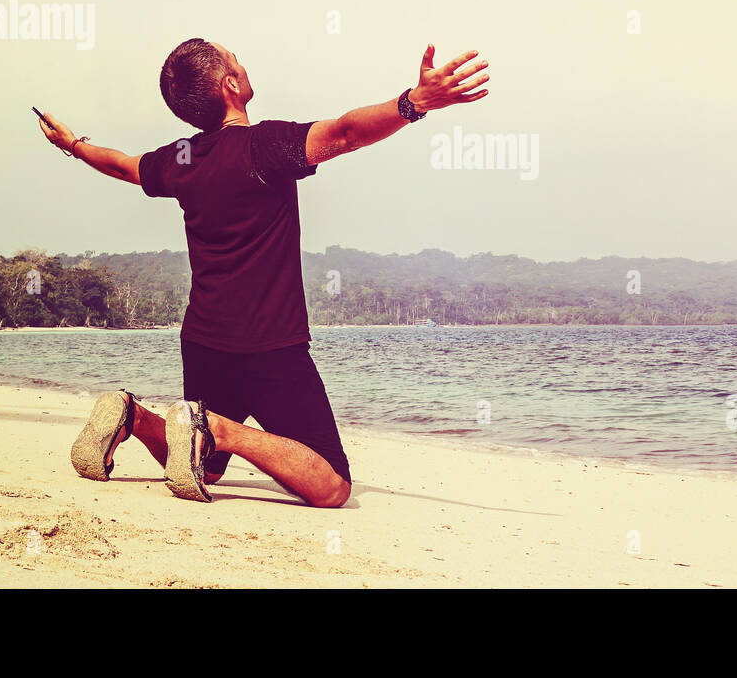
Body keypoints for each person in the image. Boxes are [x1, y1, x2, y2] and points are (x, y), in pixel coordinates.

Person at [38, 39, 489, 507]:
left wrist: (72, 143)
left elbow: (125, 166)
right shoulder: (264, 147)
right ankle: (217, 428)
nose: (242, 63)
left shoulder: (181, 160)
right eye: (235, 60)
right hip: (269, 346)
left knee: (205, 467)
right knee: (332, 487)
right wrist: (414, 102)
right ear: (231, 84)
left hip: (203, 341)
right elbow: (346, 133)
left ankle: (134, 418)